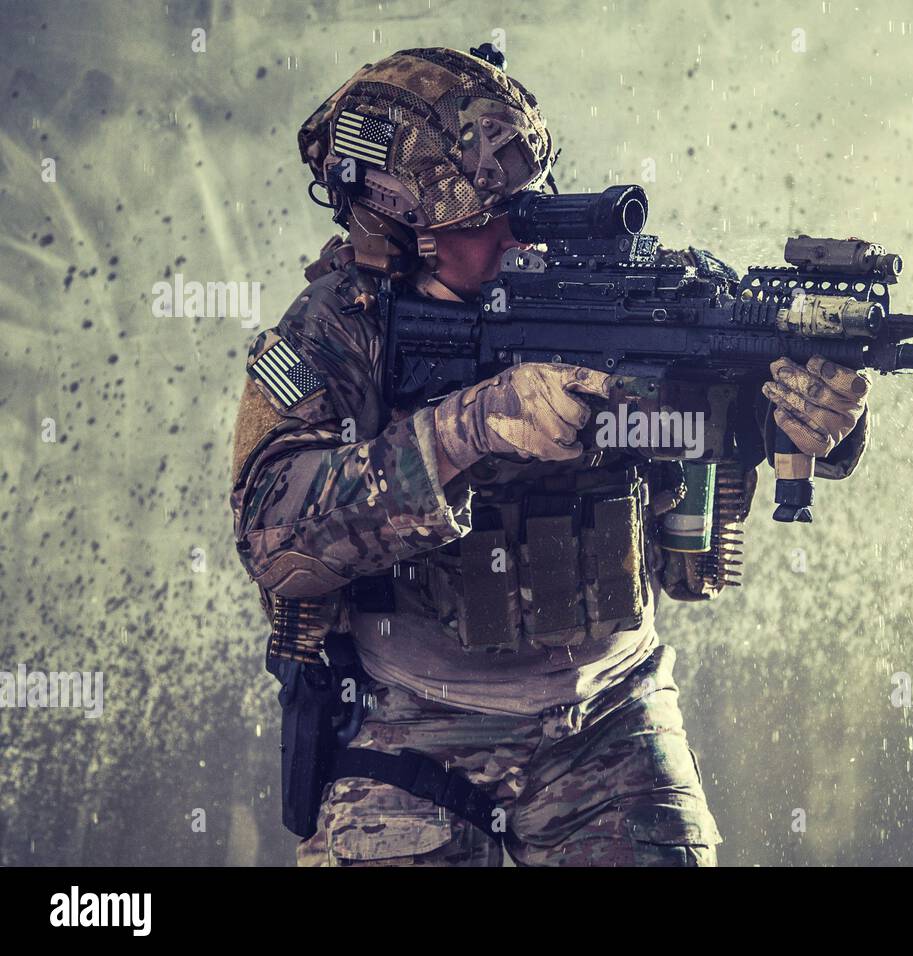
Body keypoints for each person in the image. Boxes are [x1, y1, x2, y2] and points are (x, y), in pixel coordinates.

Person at [230, 44, 869, 866]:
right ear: (396, 224)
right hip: (409, 722)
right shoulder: (336, 328)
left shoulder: (615, 292)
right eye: (478, 219)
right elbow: (272, 534)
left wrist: (811, 419)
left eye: (526, 202)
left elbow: (721, 406)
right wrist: (471, 425)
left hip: (611, 713)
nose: (517, 232)